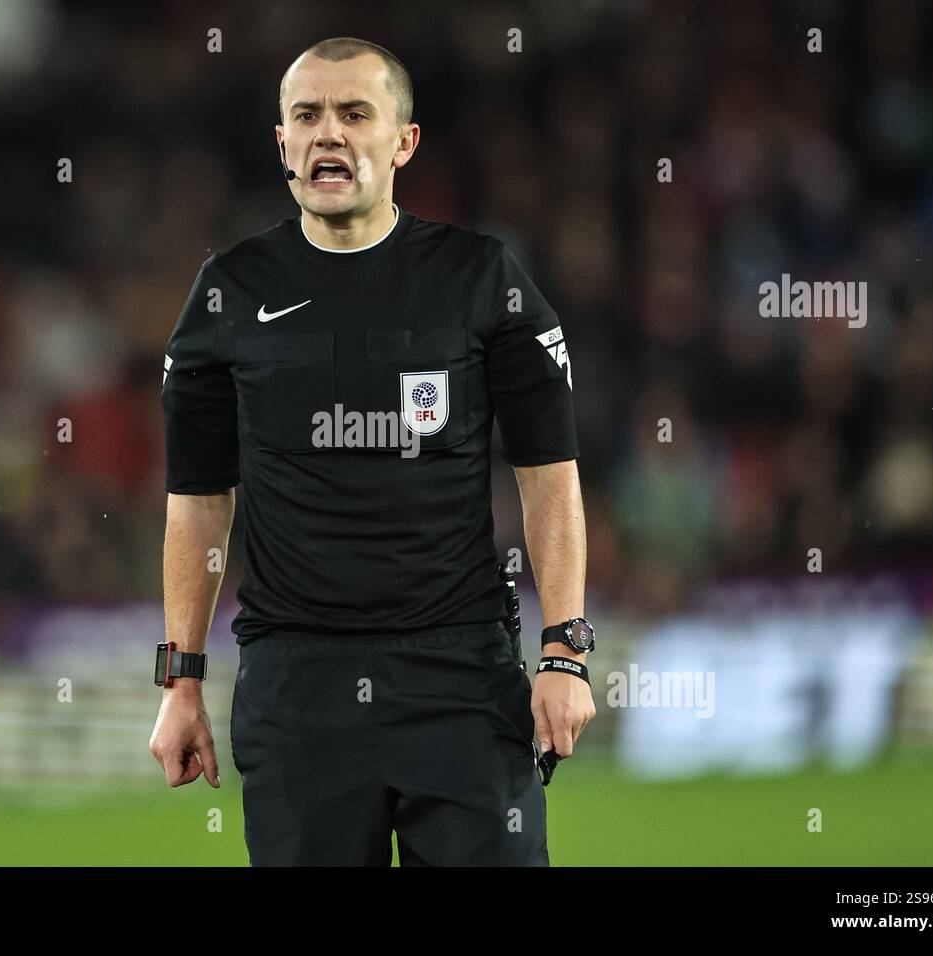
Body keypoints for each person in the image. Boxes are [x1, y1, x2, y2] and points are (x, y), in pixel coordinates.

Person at [151, 36, 595, 866]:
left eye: (355, 113)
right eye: (307, 115)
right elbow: (200, 500)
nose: (329, 133)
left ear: (403, 142)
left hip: (461, 676)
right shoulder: (227, 294)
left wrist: (564, 649)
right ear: (281, 141)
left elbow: (550, 478)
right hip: (297, 685)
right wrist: (181, 680)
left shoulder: (483, 278)